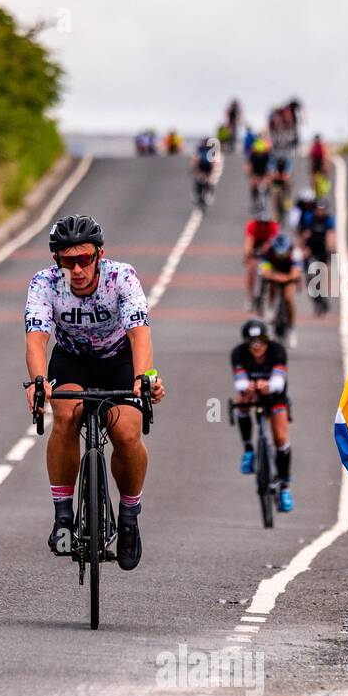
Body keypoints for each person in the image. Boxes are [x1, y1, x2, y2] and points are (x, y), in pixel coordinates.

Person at [23, 214, 165, 569]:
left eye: (84, 259)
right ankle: (63, 517)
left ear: (99, 255)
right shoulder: (44, 283)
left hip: (119, 359)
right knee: (66, 414)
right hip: (71, 360)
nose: (78, 269)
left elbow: (140, 335)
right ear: (57, 261)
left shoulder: (122, 278)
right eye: (68, 262)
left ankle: (129, 516)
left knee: (127, 431)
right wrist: (39, 380)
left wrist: (145, 377)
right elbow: (37, 340)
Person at [232, 319, 294, 511]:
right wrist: (248, 387)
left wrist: (267, 388)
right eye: (252, 342)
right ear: (246, 343)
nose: (257, 346)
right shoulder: (238, 353)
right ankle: (249, 450)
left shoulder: (277, 351)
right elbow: (240, 383)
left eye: (261, 341)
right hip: (252, 394)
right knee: (241, 401)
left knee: (281, 439)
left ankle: (285, 487)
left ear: (267, 341)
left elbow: (278, 383)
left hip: (275, 396)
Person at [255, 233, 301, 346]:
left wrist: (287, 278)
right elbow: (265, 273)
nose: (281, 255)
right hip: (274, 273)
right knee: (270, 285)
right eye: (278, 253)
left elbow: (295, 273)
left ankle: (291, 329)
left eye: (283, 253)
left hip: (288, 274)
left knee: (288, 298)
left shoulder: (295, 253)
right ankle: (270, 312)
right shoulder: (267, 252)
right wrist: (275, 277)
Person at [300, 200, 336, 316]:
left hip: (322, 252)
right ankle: (316, 299)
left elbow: (331, 235)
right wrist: (303, 248)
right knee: (310, 278)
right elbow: (304, 235)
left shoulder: (329, 220)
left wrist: (331, 250)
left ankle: (322, 299)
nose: (321, 213)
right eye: (319, 210)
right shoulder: (309, 218)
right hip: (311, 251)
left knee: (322, 275)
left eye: (323, 210)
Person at [243, 202, 280, 304]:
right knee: (251, 270)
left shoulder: (273, 226)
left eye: (265, 223)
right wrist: (248, 255)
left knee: (273, 275)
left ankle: (272, 302)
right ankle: (249, 297)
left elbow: (274, 241)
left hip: (268, 248)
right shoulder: (252, 225)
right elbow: (248, 242)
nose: (263, 225)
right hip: (256, 246)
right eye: (260, 223)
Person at [192, 137, 216, 207]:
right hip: (204, 166)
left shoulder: (204, 148)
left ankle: (205, 195)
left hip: (205, 166)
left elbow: (196, 159)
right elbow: (197, 159)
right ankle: (203, 195)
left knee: (204, 181)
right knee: (202, 181)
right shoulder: (204, 148)